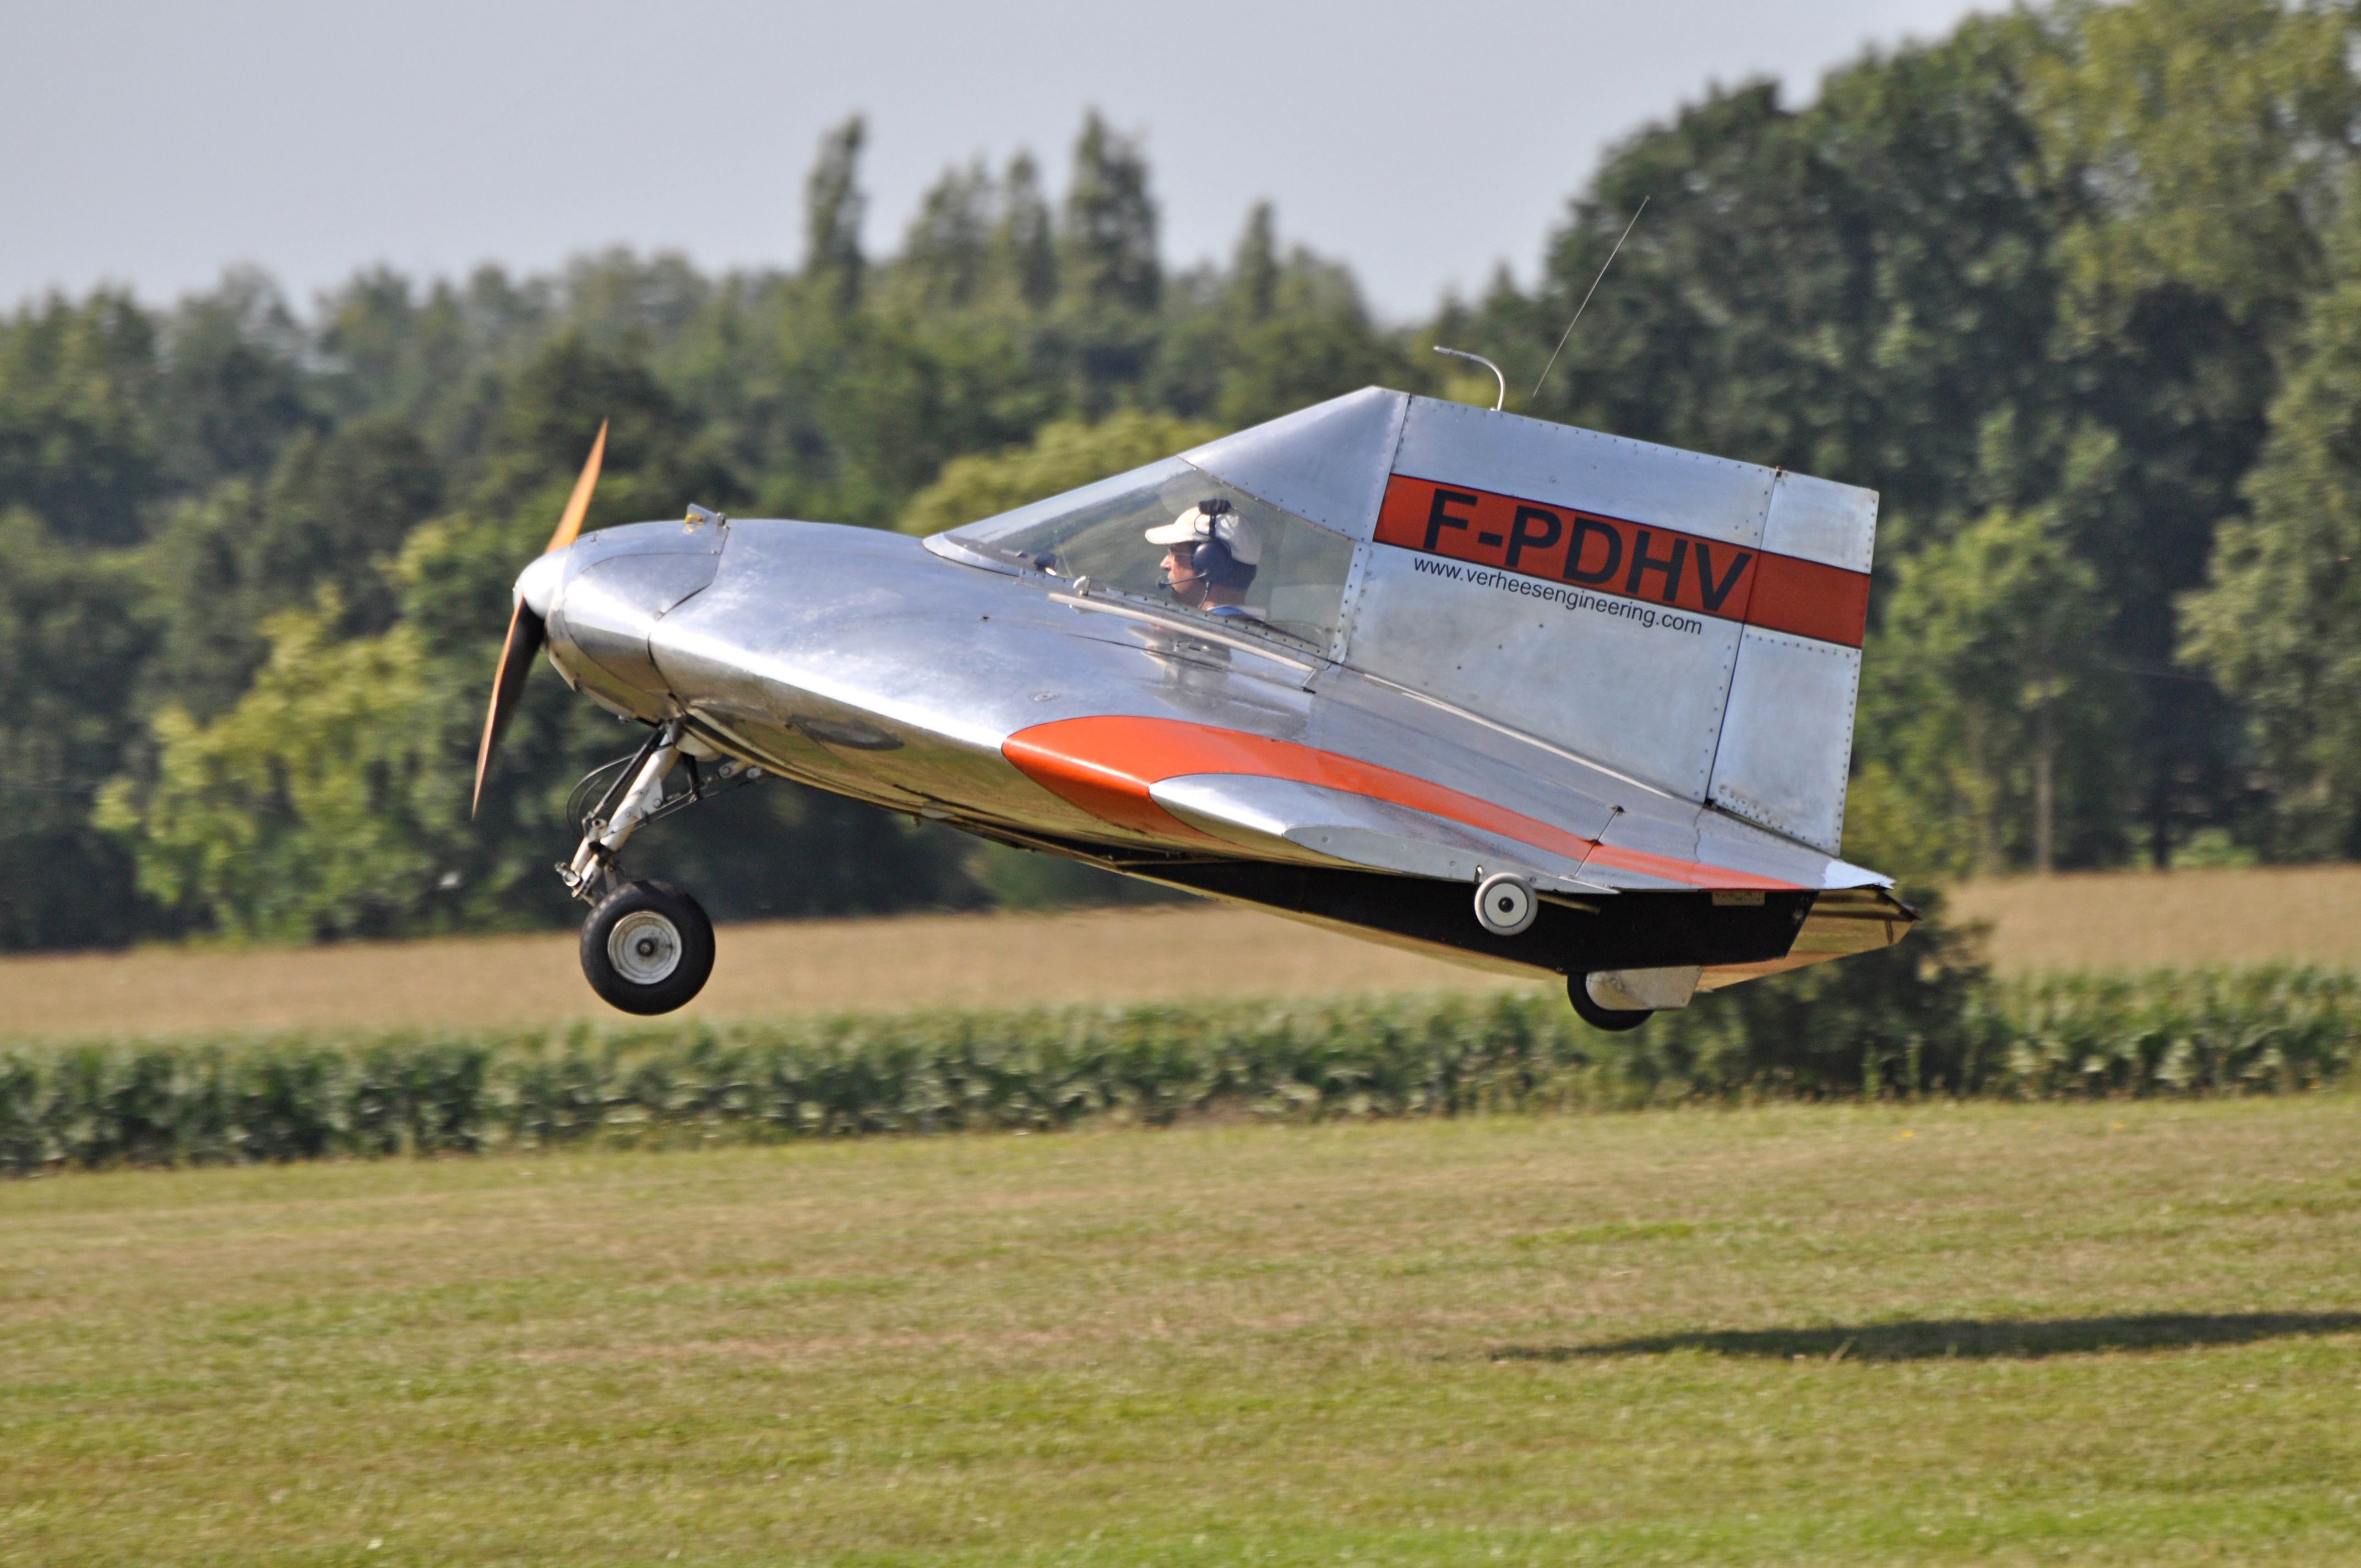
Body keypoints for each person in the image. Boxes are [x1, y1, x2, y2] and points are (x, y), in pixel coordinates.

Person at [1144, 498, 1263, 618]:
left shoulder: (1200, 635)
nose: (1164, 564)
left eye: (1174, 554)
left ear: (1208, 562)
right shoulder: (1257, 629)